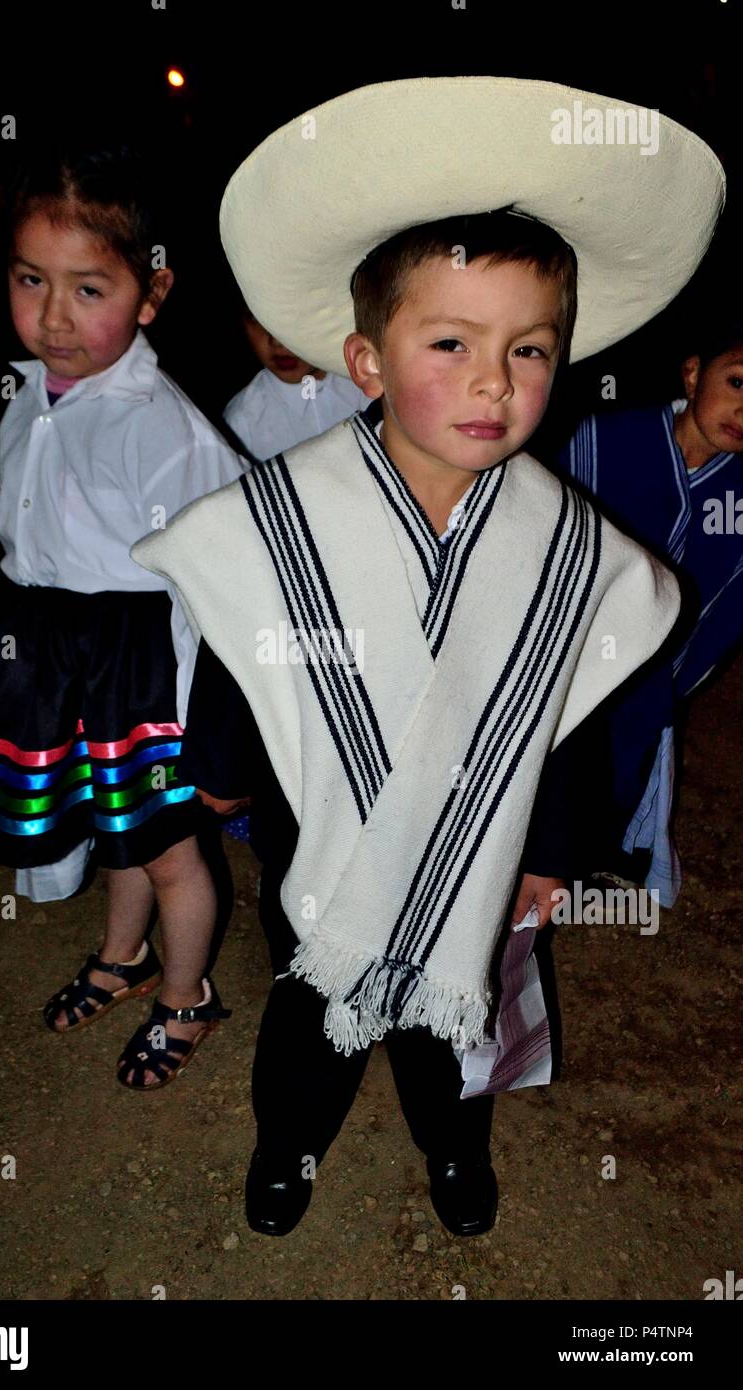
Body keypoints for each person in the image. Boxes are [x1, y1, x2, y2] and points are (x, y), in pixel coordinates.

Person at [132, 76, 722, 1236]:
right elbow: (258, 631)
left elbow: (570, 705)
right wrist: (220, 764)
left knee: (457, 1018)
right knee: (311, 1006)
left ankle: (453, 1148)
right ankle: (289, 1141)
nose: (495, 382)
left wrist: (552, 850)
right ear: (364, 356)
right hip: (327, 831)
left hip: (485, 840)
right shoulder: (294, 506)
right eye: (449, 342)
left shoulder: (559, 542)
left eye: (530, 349)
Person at [0, 144, 247, 1089]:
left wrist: (212, 729)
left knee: (166, 847)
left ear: (152, 292)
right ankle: (122, 960)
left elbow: (230, 574)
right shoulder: (29, 394)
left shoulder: (159, 426)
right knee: (110, 823)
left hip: (140, 658)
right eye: (32, 280)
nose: (52, 316)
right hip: (57, 646)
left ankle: (187, 994)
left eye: (90, 289)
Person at [556, 316, 743, 906]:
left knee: (628, 751)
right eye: (737, 382)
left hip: (656, 670)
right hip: (569, 646)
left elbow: (728, 600)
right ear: (693, 374)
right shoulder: (601, 437)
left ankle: (591, 859)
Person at [224, 299, 368, 463]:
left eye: (291, 317)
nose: (277, 341)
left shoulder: (369, 385)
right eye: (256, 318)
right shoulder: (241, 425)